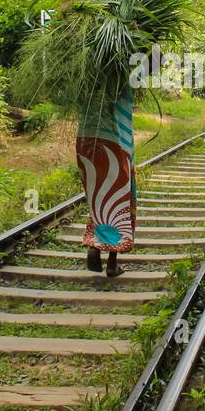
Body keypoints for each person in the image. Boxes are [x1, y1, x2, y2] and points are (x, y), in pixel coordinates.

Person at [76, 89, 135, 278]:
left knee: (99, 198)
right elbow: (154, 63)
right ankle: (111, 262)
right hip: (116, 142)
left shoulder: (87, 77)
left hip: (85, 140)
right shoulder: (123, 75)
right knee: (119, 200)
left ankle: (95, 242)